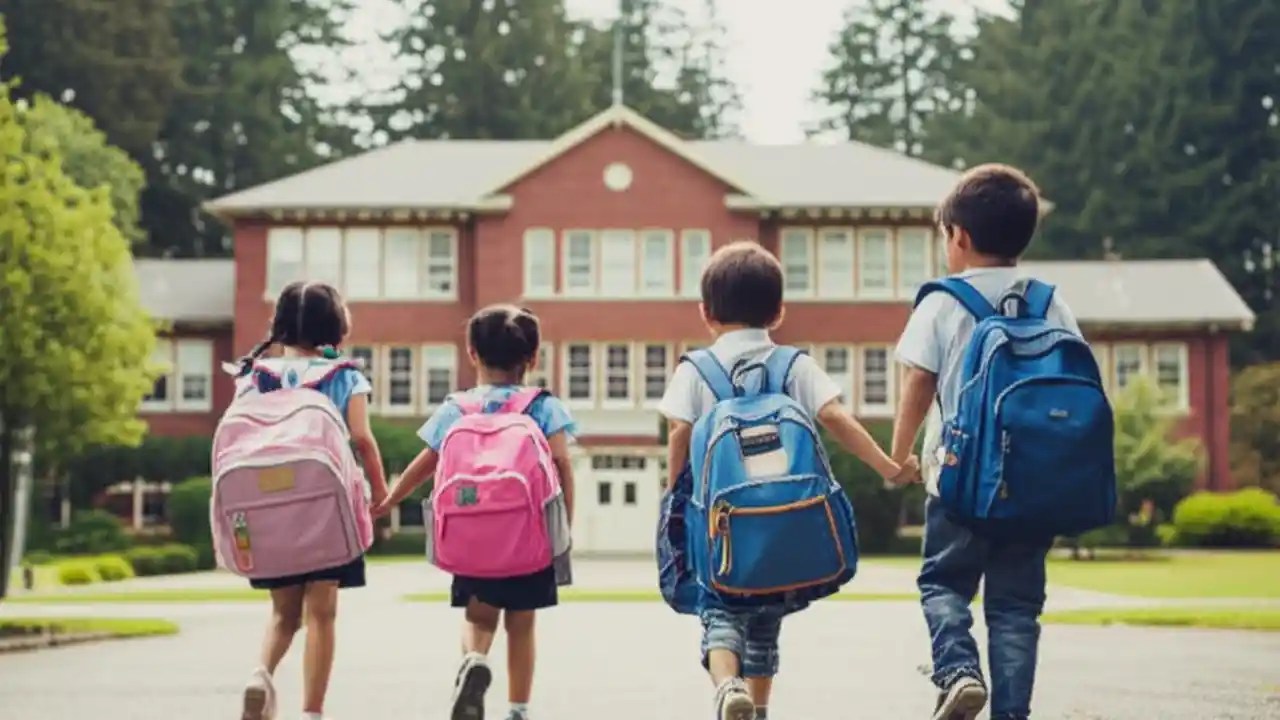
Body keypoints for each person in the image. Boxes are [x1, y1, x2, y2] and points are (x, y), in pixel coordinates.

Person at [660, 241, 918, 720]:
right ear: (778, 312)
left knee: (720, 613)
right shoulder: (794, 365)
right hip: (784, 527)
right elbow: (835, 417)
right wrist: (888, 465)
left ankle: (726, 687)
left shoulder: (696, 370)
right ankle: (756, 708)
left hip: (721, 529)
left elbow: (680, 431)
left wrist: (675, 491)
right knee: (765, 625)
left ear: (705, 313)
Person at [892, 164, 1083, 720]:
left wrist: (899, 454)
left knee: (943, 583)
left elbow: (918, 383)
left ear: (958, 236)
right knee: (1017, 607)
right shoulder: (1050, 302)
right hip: (1033, 481)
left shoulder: (941, 301)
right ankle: (1012, 713)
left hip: (958, 478)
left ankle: (957, 671)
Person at [374, 304, 576, 720]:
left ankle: (475, 660)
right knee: (521, 625)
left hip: (472, 537)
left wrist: (391, 498)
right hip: (529, 538)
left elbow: (425, 462)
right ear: (533, 358)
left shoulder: (457, 409)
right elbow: (561, 467)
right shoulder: (543, 406)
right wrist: (564, 529)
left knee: (478, 618)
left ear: (472, 354)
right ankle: (518, 710)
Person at [236, 281, 389, 720]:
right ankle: (312, 712)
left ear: (280, 324)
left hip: (270, 507)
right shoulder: (344, 375)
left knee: (284, 614)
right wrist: (381, 494)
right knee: (321, 612)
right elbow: (361, 437)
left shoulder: (253, 376)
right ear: (335, 324)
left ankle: (261, 674)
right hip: (326, 508)